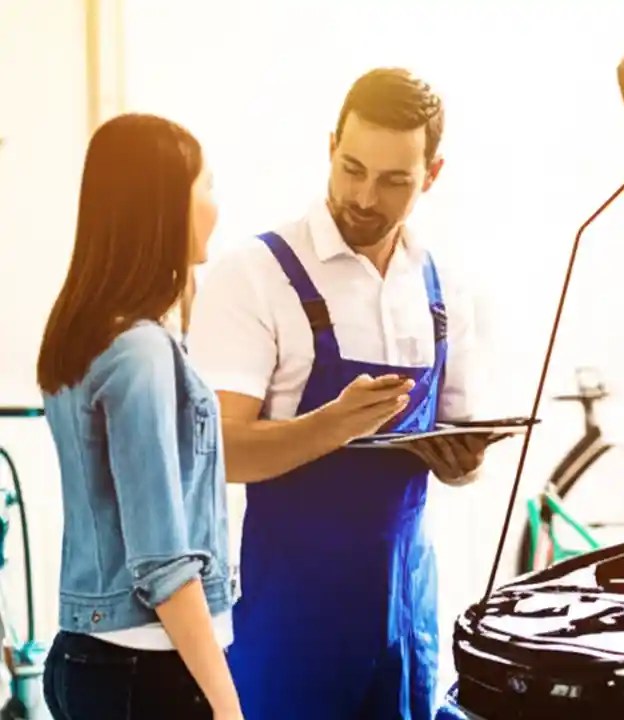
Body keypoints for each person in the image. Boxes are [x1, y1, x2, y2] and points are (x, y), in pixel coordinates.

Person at [186, 67, 486, 719]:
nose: (364, 196)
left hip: (407, 616)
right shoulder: (256, 276)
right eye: (352, 168)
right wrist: (335, 424)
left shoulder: (443, 288)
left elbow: (459, 432)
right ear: (330, 146)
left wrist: (464, 460)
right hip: (294, 621)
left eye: (393, 180)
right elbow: (221, 454)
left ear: (431, 175)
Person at [37, 113, 242, 719]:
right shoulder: (141, 352)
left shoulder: (89, 336)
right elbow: (161, 562)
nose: (216, 205)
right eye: (205, 186)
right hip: (148, 674)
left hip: (98, 659)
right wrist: (228, 708)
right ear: (162, 206)